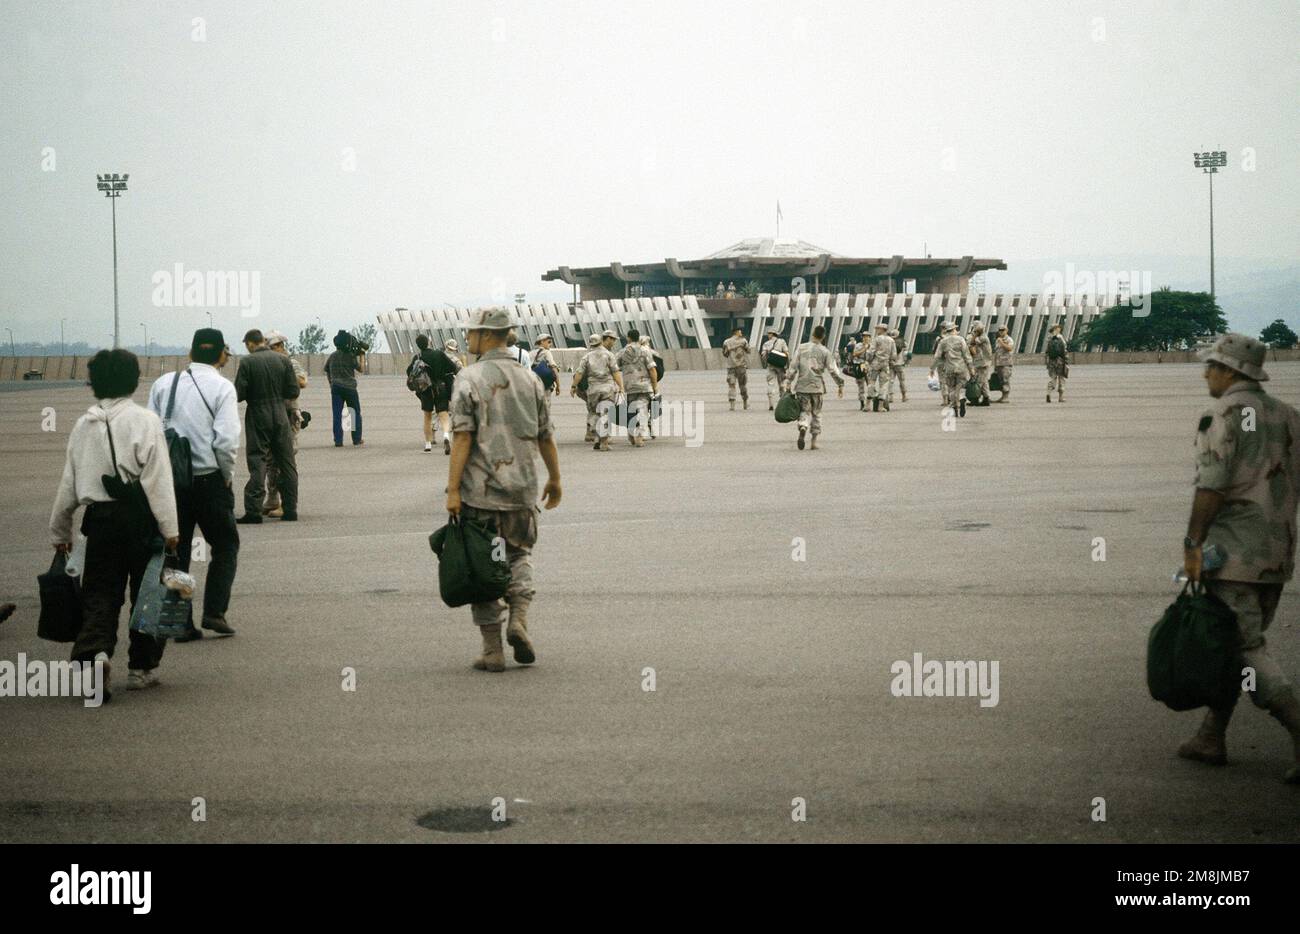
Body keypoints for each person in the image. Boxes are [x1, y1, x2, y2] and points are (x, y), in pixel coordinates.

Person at [1177, 333, 1300, 784]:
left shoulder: (1222, 414)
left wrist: (1193, 544)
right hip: (1278, 552)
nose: (1206, 373)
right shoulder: (1288, 415)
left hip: (1232, 555)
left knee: (1247, 648)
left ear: (1230, 372)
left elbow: (1211, 485)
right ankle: (1212, 735)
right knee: (1235, 642)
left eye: (1212, 365)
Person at [50, 349, 180, 695]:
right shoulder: (146, 421)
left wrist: (60, 531)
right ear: (133, 381)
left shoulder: (83, 425)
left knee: (100, 594)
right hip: (141, 522)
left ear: (95, 383)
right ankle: (141, 669)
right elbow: (159, 480)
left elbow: (69, 484)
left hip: (100, 522)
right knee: (148, 595)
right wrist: (171, 529)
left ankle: (96, 653)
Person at [446, 307, 562, 672]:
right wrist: (555, 479)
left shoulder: (468, 377)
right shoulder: (531, 379)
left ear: (486, 336)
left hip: (480, 494)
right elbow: (546, 435)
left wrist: (452, 489)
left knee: (483, 567)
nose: (468, 339)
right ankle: (519, 619)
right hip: (522, 492)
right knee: (519, 556)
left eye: (472, 333)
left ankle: (493, 650)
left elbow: (462, 436)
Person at [146, 328, 241, 642]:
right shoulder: (222, 387)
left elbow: (152, 430)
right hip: (209, 479)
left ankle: (181, 623)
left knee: (176, 552)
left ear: (191, 353)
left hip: (171, 483)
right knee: (225, 546)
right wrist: (226, 476)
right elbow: (226, 441)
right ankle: (214, 612)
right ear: (219, 355)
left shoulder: (164, 384)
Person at [235, 328, 300, 523]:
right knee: (287, 462)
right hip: (280, 413)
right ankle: (290, 509)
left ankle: (253, 511)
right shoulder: (283, 360)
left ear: (249, 344)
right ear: (263, 341)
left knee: (258, 460)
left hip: (257, 414)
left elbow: (239, 394)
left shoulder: (247, 362)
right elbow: (293, 390)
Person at [264, 331, 307, 515]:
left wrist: (284, 371)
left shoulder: (292, 363)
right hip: (271, 414)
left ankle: (285, 502)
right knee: (270, 460)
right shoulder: (267, 364)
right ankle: (272, 498)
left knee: (286, 459)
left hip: (288, 415)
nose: (271, 351)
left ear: (281, 347)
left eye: (274, 347)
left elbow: (303, 382)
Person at [782, 325, 844, 450]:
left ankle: (803, 425)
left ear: (812, 334)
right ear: (823, 337)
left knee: (804, 410)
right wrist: (840, 384)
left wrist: (788, 381)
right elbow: (833, 370)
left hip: (802, 385)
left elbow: (793, 366)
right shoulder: (825, 351)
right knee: (817, 413)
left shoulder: (801, 348)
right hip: (817, 387)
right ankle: (814, 442)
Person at [571, 330, 623, 451]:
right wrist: (621, 386)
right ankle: (604, 441)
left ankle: (595, 436)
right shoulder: (609, 355)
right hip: (608, 388)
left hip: (593, 389)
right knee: (605, 413)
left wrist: (574, 386)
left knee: (594, 412)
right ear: (601, 341)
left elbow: (579, 373)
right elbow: (615, 372)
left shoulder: (587, 356)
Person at [411, 333, 459, 454]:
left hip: (425, 389)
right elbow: (453, 367)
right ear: (428, 342)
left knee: (427, 416)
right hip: (440, 387)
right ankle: (446, 436)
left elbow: (410, 372)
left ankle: (428, 444)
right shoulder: (438, 354)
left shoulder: (417, 357)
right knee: (443, 414)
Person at [616, 328, 659, 447]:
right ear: (638, 337)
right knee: (643, 411)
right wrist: (655, 386)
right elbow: (652, 369)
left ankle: (631, 433)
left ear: (628, 338)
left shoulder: (622, 352)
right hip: (644, 386)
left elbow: (615, 367)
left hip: (629, 387)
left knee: (632, 412)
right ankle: (640, 436)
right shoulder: (645, 350)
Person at [325, 329, 364, 445]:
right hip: (350, 388)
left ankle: (338, 440)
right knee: (354, 413)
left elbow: (327, 370)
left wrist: (331, 383)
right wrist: (362, 356)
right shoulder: (350, 356)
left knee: (337, 414)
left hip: (336, 387)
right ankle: (356, 439)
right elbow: (361, 369)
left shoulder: (332, 356)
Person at [930, 321, 972, 417]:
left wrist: (932, 368)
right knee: (961, 386)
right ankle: (961, 398)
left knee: (951, 388)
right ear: (953, 329)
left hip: (949, 368)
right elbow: (967, 355)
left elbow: (937, 356)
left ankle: (954, 406)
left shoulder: (943, 341)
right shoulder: (961, 339)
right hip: (961, 367)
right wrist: (971, 369)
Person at [864, 323, 896, 412]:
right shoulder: (891, 340)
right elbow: (894, 354)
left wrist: (868, 360)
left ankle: (867, 405)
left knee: (871, 383)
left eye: (878, 328)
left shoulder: (876, 339)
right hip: (885, 364)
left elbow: (871, 352)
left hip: (875, 363)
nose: (877, 330)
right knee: (884, 384)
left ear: (882, 329)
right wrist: (890, 362)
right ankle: (880, 406)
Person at [759, 326, 790, 410]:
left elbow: (763, 356)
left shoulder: (766, 343)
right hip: (780, 367)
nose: (768, 335)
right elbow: (787, 353)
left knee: (770, 384)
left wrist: (767, 361)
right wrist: (786, 364)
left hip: (771, 366)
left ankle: (771, 404)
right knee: (782, 385)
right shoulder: (782, 341)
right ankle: (782, 404)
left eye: (769, 333)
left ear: (771, 334)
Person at [721, 326, 751, 411]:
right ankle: (745, 402)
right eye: (740, 332)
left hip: (730, 367)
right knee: (742, 385)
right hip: (741, 366)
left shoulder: (726, 342)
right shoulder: (743, 341)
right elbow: (748, 351)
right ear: (737, 332)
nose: (741, 333)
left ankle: (732, 405)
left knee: (731, 386)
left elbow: (725, 354)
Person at [967, 323, 994, 406]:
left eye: (975, 330)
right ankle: (986, 398)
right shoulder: (982, 337)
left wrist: (974, 334)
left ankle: (975, 399)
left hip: (983, 363)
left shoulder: (983, 337)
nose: (974, 331)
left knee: (979, 381)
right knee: (984, 381)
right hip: (982, 362)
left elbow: (972, 343)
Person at [1045, 323, 1069, 403]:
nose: (1060, 329)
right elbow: (1064, 349)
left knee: (1053, 378)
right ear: (1056, 328)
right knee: (1061, 378)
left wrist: (1047, 363)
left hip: (1051, 361)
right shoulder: (1060, 337)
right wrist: (1066, 360)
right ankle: (1061, 397)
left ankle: (1049, 392)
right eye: (1059, 327)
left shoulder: (1048, 338)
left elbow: (1047, 352)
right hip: (1060, 361)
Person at [850, 330, 870, 410]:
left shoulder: (871, 346)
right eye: (864, 336)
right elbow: (854, 354)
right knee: (861, 385)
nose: (866, 338)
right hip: (860, 365)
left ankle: (869, 402)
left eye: (867, 337)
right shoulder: (858, 345)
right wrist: (864, 349)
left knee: (870, 384)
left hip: (867, 365)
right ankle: (862, 402)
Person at [994, 325, 1014, 403]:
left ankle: (1006, 396)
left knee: (1006, 380)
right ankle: (1003, 396)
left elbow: (1010, 348)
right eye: (1000, 330)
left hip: (1006, 363)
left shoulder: (1009, 339)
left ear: (1006, 330)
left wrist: (1001, 342)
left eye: (1003, 330)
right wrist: (995, 364)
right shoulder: (998, 340)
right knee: (1001, 381)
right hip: (999, 363)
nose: (1001, 332)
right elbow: (996, 352)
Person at [887, 327, 908, 403]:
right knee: (902, 380)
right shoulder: (902, 342)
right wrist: (906, 361)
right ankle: (904, 396)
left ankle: (890, 397)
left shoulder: (889, 341)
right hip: (899, 363)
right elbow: (906, 352)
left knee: (890, 381)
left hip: (890, 363)